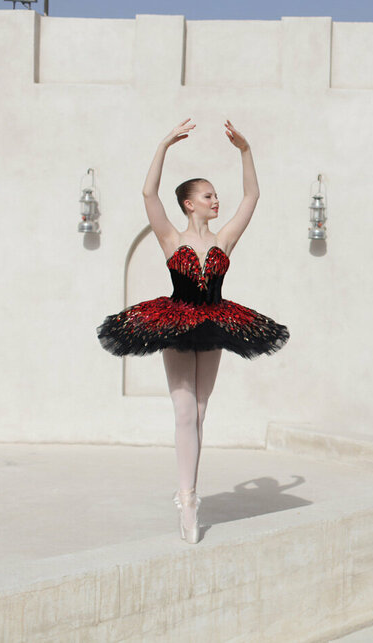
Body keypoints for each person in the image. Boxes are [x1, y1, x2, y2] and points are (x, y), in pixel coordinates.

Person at [97, 119, 288, 543]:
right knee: (184, 412)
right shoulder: (170, 237)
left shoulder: (224, 241)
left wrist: (246, 150)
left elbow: (253, 196)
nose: (216, 200)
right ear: (188, 204)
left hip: (217, 322)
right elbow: (148, 194)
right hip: (176, 321)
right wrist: (163, 143)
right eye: (208, 195)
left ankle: (190, 491)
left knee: (200, 413)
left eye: (216, 195)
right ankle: (188, 500)